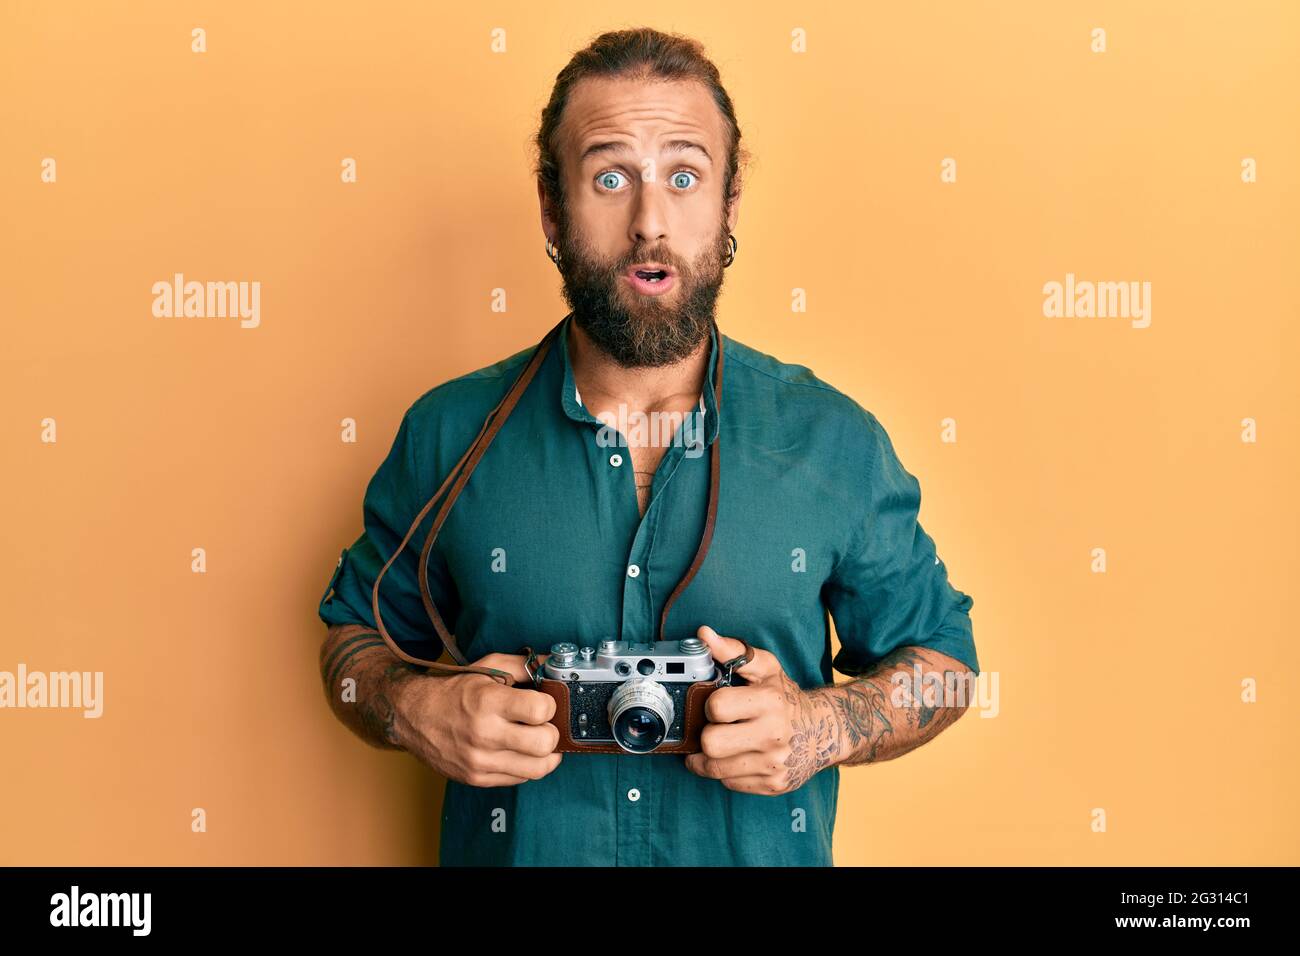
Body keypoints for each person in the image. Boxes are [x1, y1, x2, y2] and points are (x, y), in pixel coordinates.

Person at [317, 27, 979, 866]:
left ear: (729, 202)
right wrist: (416, 711)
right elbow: (351, 641)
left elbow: (948, 666)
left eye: (684, 175)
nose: (650, 221)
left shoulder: (833, 441)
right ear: (553, 208)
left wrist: (822, 726)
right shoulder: (448, 432)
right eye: (609, 177)